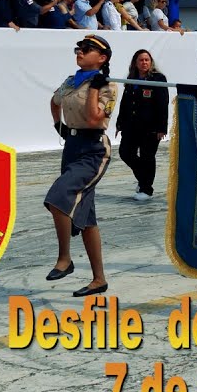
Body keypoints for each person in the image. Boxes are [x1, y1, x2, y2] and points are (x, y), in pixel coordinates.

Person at [45, 34, 118, 297]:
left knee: (57, 197)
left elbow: (94, 120)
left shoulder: (108, 86)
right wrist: (59, 126)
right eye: (79, 48)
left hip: (94, 149)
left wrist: (96, 88)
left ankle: (65, 259)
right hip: (73, 147)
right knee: (87, 219)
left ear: (102, 58)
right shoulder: (71, 80)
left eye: (87, 49)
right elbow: (55, 102)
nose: (80, 51)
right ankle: (99, 279)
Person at [117, 49, 169, 201]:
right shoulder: (131, 78)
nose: (144, 62)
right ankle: (144, 180)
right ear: (135, 62)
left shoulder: (158, 78)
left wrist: (161, 128)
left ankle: (146, 189)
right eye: (141, 60)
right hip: (131, 126)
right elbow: (125, 102)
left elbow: (162, 104)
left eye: (147, 60)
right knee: (125, 153)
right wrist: (120, 123)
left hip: (151, 128)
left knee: (147, 157)